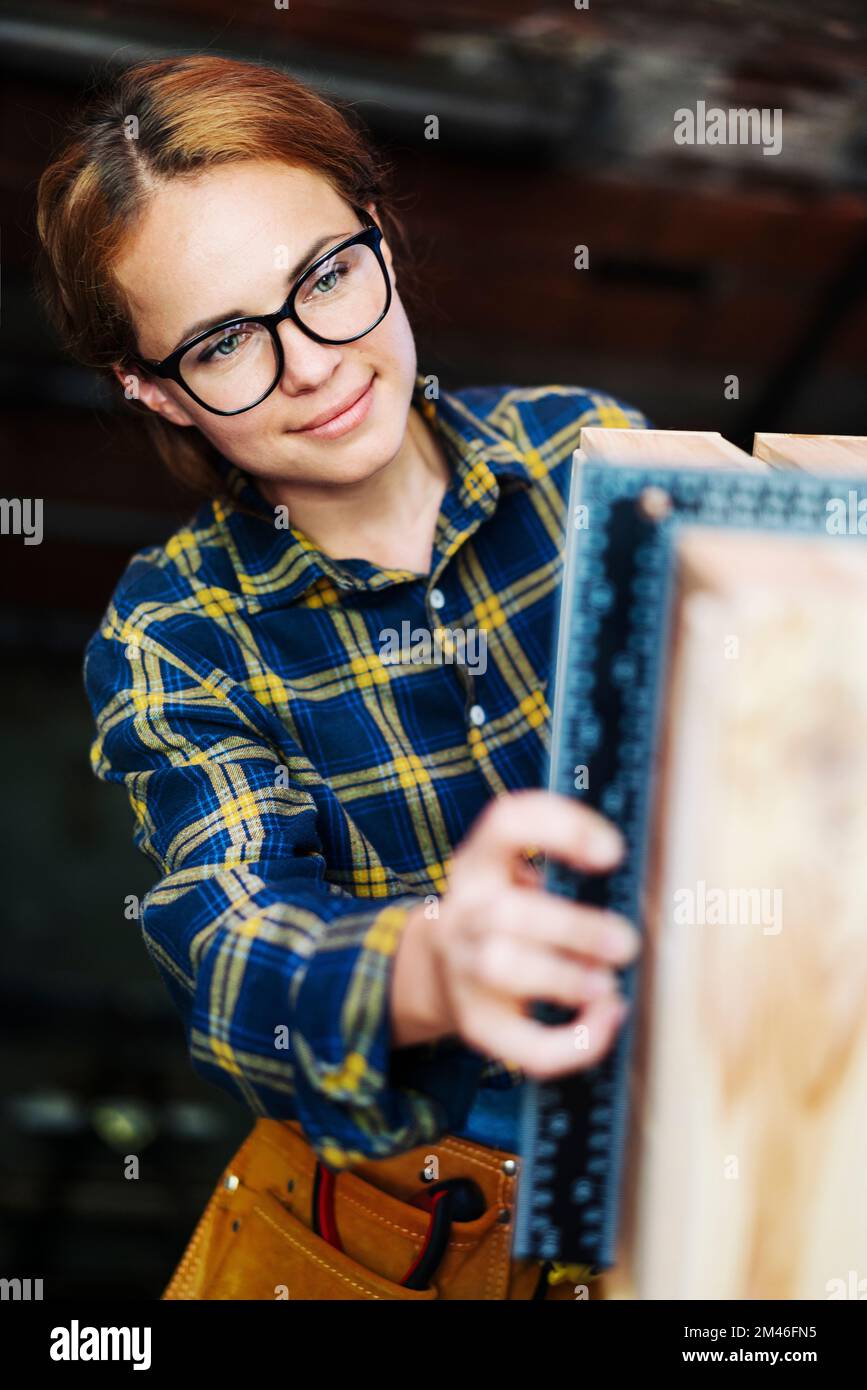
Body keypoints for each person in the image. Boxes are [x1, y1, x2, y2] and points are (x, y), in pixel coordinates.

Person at [35, 53, 645, 1299]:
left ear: (380, 237)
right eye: (220, 342)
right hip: (413, 1233)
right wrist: (430, 969)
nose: (310, 361)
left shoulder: (596, 453)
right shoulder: (172, 631)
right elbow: (234, 942)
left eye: (323, 276)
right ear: (156, 389)